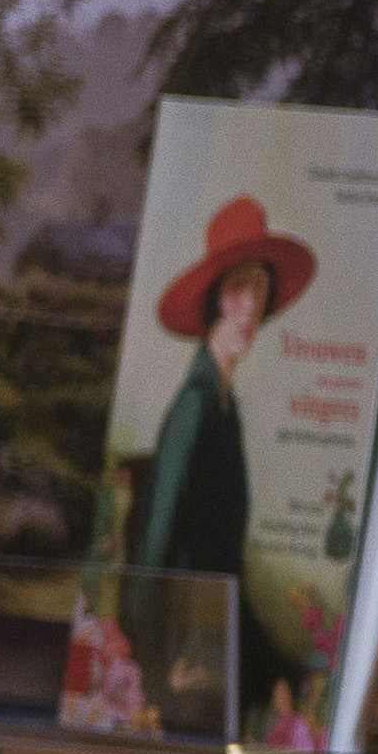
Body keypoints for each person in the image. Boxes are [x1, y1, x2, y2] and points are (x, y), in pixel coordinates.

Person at [121, 196, 315, 694]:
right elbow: (155, 542)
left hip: (222, 623)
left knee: (303, 684)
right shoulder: (194, 407)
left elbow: (228, 564)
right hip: (184, 638)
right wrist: (148, 660)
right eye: (237, 288)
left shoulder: (227, 410)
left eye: (260, 287)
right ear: (214, 301)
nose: (249, 306)